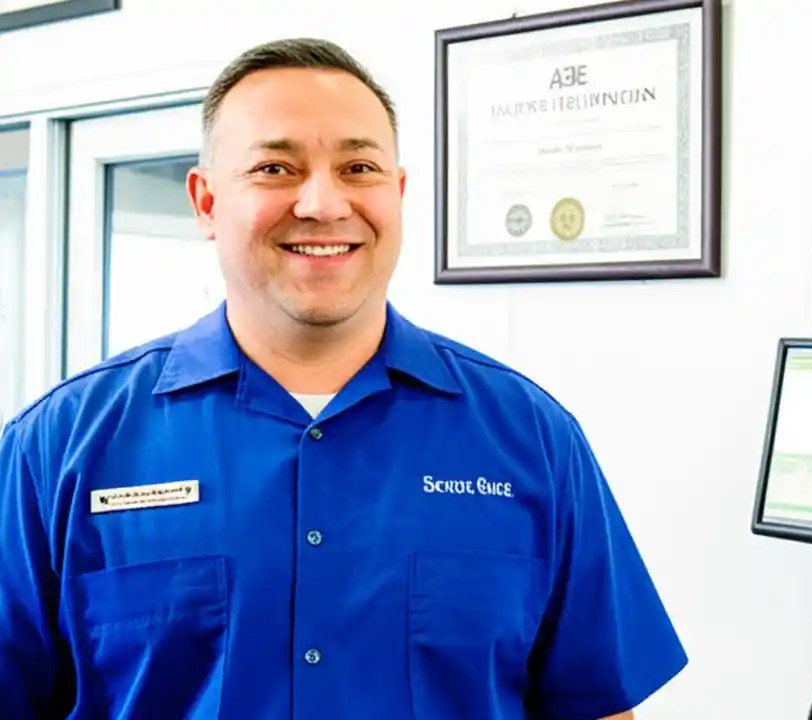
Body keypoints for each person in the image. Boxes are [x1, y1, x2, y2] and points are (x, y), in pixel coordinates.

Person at [0, 37, 687, 719]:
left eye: (359, 167)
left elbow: (594, 705)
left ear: (399, 192)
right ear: (207, 202)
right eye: (275, 168)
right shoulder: (58, 449)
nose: (324, 204)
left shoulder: (532, 439)